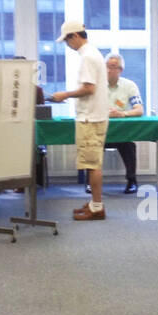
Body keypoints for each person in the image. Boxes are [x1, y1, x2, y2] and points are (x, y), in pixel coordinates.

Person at [50, 20, 108, 220]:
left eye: (67, 40)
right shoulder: (92, 53)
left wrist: (64, 95)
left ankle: (97, 207)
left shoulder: (88, 57)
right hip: (93, 116)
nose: (68, 45)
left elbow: (89, 88)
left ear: (75, 36)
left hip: (90, 118)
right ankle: (94, 203)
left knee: (92, 164)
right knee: (92, 163)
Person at [105, 53, 144, 194]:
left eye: (113, 67)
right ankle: (90, 182)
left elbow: (139, 110)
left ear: (120, 70)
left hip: (120, 132)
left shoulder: (129, 85)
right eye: (107, 67)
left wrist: (123, 113)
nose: (108, 70)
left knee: (128, 145)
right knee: (91, 144)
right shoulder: (95, 86)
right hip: (100, 131)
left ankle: (132, 181)